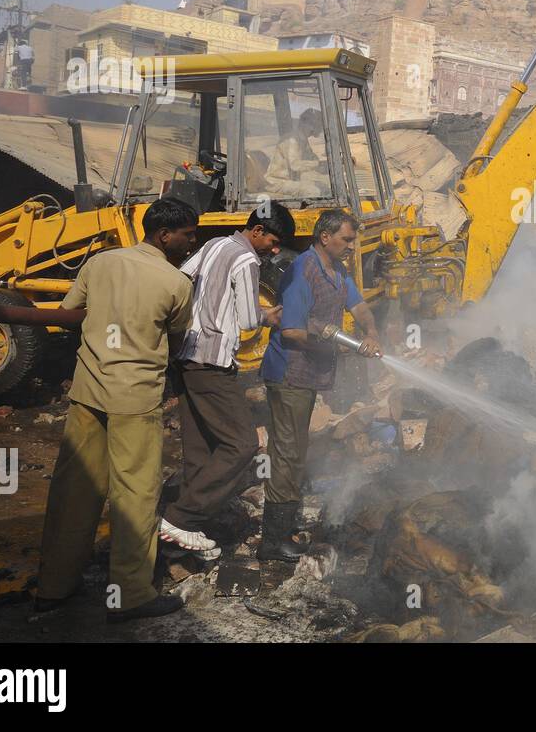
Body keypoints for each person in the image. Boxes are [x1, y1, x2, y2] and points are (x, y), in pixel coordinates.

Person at [35, 197, 197, 623]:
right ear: (165, 235)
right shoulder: (176, 282)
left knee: (75, 488)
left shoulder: (101, 262)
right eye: (188, 234)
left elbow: (70, 312)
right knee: (135, 496)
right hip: (136, 399)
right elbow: (176, 341)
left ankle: (53, 586)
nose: (192, 241)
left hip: (88, 391)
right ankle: (130, 595)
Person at [159, 204, 295, 556]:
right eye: (273, 240)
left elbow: (179, 279)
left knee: (200, 446)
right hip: (213, 362)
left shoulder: (214, 244)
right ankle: (179, 516)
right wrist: (268, 316)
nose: (275, 249)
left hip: (185, 357)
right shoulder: (247, 260)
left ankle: (180, 536)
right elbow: (249, 319)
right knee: (242, 444)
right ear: (256, 231)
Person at [257, 209, 380, 562]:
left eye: (353, 240)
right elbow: (292, 330)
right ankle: (272, 540)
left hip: (309, 376)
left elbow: (360, 307)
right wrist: (337, 344)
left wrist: (369, 333)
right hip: (289, 374)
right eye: (346, 239)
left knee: (295, 448)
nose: (352, 246)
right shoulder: (303, 271)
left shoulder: (338, 273)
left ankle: (282, 527)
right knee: (287, 452)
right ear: (325, 237)